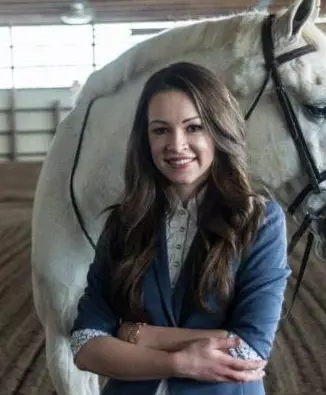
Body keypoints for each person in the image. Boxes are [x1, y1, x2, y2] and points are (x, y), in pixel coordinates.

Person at [70, 62, 291, 395]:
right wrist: (179, 363)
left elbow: (249, 349)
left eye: (194, 127)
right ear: (145, 140)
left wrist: (136, 334)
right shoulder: (124, 223)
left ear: (219, 130)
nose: (176, 144)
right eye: (160, 130)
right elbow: (85, 344)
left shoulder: (259, 220)